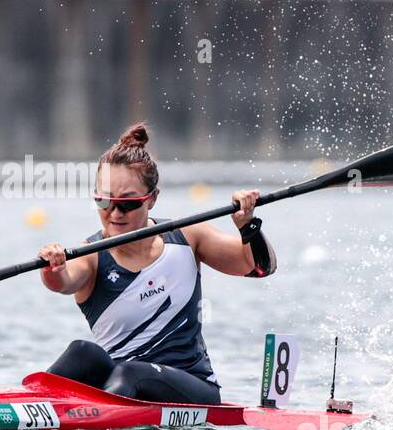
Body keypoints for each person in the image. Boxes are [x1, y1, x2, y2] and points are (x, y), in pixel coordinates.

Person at [38, 122, 274, 404]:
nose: (114, 213)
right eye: (103, 202)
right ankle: (25, 405)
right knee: (81, 353)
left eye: (127, 203)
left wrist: (247, 224)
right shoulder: (90, 255)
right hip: (123, 388)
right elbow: (62, 282)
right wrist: (52, 268)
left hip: (193, 388)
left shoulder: (188, 237)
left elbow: (260, 267)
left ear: (152, 200)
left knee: (130, 373)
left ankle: (102, 419)